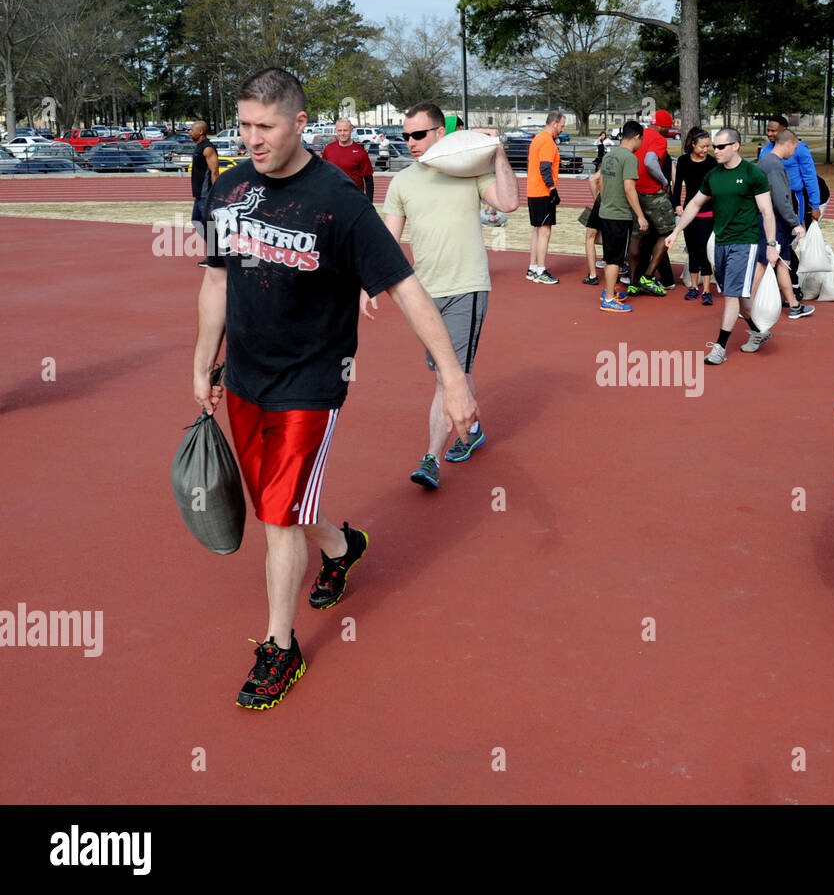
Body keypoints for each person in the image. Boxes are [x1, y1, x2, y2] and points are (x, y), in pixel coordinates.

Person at [192, 68, 477, 711]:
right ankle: (345, 547)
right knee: (277, 502)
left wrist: (454, 379)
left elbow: (405, 289)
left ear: (299, 123)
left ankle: (279, 646)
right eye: (243, 125)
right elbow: (215, 281)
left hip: (312, 382)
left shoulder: (340, 201)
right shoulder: (228, 188)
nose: (253, 138)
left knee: (278, 518)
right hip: (243, 377)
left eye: (266, 126)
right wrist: (202, 361)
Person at [376, 100, 518, 490]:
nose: (410, 142)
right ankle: (472, 432)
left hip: (466, 288)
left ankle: (430, 459)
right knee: (456, 372)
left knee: (446, 377)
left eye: (418, 134)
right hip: (425, 295)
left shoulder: (468, 171)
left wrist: (499, 153)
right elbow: (388, 241)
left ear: (441, 133)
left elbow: (508, 202)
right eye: (404, 136)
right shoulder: (402, 182)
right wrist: (367, 284)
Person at [666, 127, 780, 364]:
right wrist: (676, 231)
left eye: (719, 146)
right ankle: (759, 331)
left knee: (730, 295)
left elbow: (767, 211)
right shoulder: (713, 175)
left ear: (735, 146)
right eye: (713, 146)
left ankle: (720, 347)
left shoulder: (752, 174)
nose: (714, 151)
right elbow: (695, 204)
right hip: (721, 242)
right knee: (737, 296)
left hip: (745, 242)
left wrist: (770, 244)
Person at [755, 128, 815, 337]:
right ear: (788, 143)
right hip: (773, 222)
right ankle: (746, 305)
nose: (795, 151)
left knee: (783, 263)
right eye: (795, 147)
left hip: (773, 220)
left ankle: (794, 304)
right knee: (764, 263)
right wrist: (794, 223)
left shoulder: (767, 162)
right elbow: (781, 198)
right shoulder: (774, 165)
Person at [596, 120, 647, 313]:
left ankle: (608, 292)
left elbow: (600, 181)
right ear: (636, 137)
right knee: (615, 258)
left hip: (607, 212)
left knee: (610, 256)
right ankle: (609, 298)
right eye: (641, 140)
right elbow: (629, 188)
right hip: (619, 215)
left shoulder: (610, 155)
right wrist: (640, 216)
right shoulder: (630, 158)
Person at [627, 109, 677, 297]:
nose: (668, 131)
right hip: (651, 193)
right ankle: (648, 276)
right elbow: (650, 161)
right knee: (668, 232)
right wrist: (664, 181)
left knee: (636, 236)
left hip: (633, 191)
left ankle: (633, 282)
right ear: (663, 126)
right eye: (668, 127)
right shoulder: (659, 139)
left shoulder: (639, 135)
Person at [672, 127, 717, 305]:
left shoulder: (712, 163)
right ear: (693, 144)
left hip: (708, 212)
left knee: (704, 250)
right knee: (692, 250)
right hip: (688, 213)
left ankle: (706, 290)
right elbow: (677, 187)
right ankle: (693, 287)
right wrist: (676, 204)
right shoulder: (683, 161)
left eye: (708, 146)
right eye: (702, 146)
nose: (705, 150)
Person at [525, 111, 565, 284]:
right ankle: (541, 269)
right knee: (545, 231)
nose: (562, 129)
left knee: (537, 230)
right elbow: (545, 168)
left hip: (533, 191)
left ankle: (533, 267)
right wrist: (552, 190)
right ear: (554, 123)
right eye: (562, 126)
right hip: (542, 192)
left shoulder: (538, 138)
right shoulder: (547, 142)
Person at [321, 118, 375, 202]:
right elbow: (323, 174)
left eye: (345, 130)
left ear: (351, 130)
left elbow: (368, 180)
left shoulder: (361, 152)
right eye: (340, 130)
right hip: (332, 198)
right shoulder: (328, 149)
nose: (342, 133)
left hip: (354, 199)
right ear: (335, 131)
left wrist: (369, 203)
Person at [188, 120, 220, 238]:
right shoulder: (199, 147)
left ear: (201, 132)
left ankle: (216, 253)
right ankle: (215, 252)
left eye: (192, 130)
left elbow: (214, 171)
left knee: (208, 224)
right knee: (196, 221)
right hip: (199, 195)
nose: (189, 132)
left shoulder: (207, 148)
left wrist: (216, 195)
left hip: (206, 194)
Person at [583, 166, 603, 286]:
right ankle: (614, 269)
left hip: (603, 202)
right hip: (618, 203)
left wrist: (597, 201)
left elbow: (592, 180)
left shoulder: (608, 162)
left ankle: (592, 275)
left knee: (590, 238)